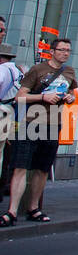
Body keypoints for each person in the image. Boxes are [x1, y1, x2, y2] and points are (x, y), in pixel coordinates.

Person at [3, 39, 77, 225]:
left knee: (42, 169)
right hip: (31, 123)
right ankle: (12, 211)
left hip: (53, 125)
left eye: (68, 50)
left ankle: (33, 208)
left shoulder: (69, 72)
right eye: (61, 50)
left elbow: (74, 94)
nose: (65, 53)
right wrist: (43, 96)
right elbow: (20, 96)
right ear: (52, 51)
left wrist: (68, 98)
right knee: (21, 167)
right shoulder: (37, 70)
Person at [0, 42, 26, 201]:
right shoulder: (18, 71)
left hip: (2, 111)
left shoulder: (2, 69)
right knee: (3, 154)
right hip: (12, 114)